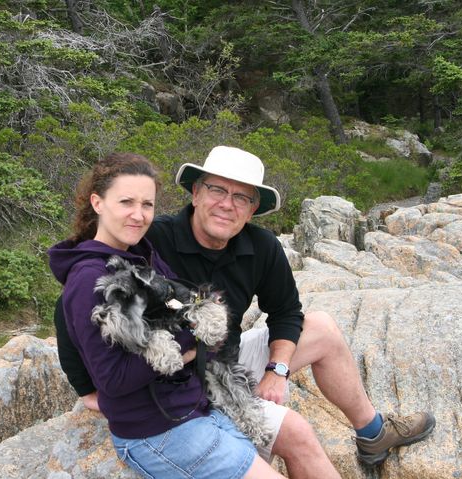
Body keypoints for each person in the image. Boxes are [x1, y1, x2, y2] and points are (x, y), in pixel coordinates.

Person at [54, 146, 436, 477]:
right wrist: (88, 391)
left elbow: (287, 312)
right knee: (299, 433)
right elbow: (74, 307)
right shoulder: (151, 237)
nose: (227, 204)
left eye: (242, 197)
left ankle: (372, 432)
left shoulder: (262, 246)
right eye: (218, 189)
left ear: (254, 208)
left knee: (322, 328)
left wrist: (277, 371)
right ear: (196, 193)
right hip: (183, 378)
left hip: (223, 361)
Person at [48, 152, 286, 478]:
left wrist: (193, 321)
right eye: (126, 202)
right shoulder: (91, 277)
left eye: (147, 204)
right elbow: (113, 379)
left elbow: (178, 305)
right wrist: (191, 339)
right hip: (156, 429)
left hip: (189, 406)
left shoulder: (141, 256)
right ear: (98, 203)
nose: (138, 215)